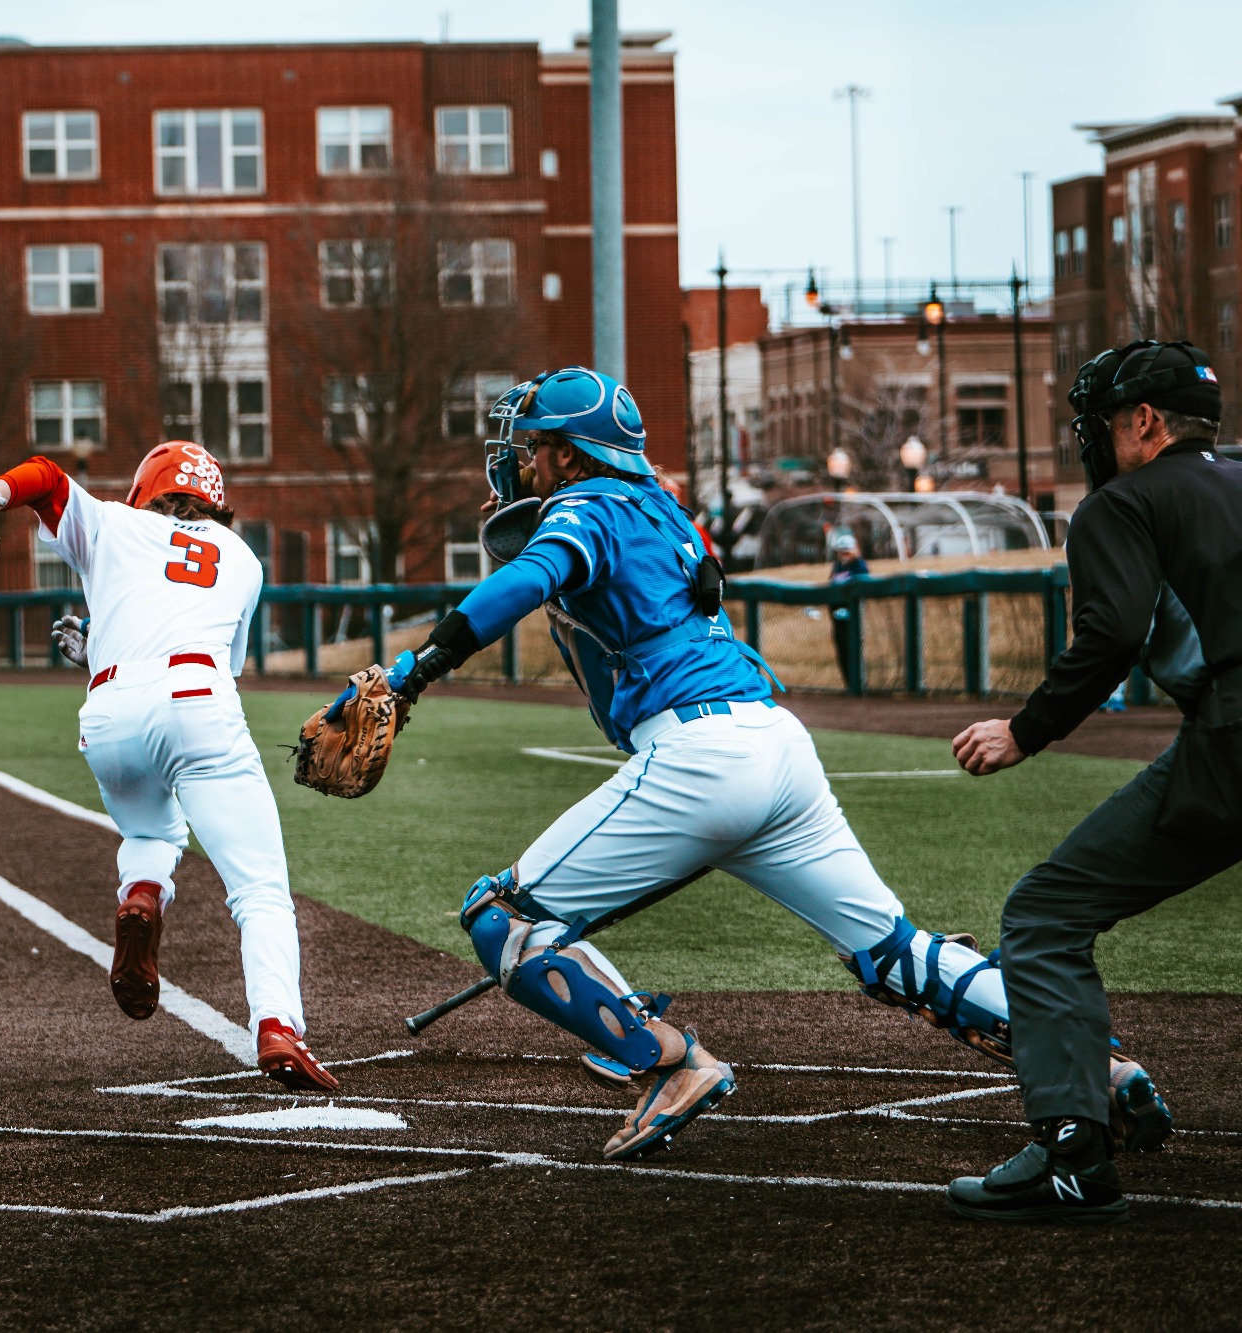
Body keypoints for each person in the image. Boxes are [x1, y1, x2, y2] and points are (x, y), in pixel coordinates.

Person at [371, 365, 1169, 1162]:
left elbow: (527, 578)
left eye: (537, 448)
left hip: (698, 755)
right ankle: (1095, 1063)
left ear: (573, 458)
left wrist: (415, 670)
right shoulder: (661, 507)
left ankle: (670, 1060)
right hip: (776, 745)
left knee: (501, 917)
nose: (523, 463)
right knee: (894, 951)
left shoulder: (587, 505)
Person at [947, 340, 1240, 1224]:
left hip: (1231, 743)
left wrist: (1024, 731)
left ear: (1143, 422)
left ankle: (1073, 1154)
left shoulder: (1124, 501)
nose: (1096, 441)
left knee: (1045, 914)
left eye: (1105, 423)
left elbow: (1109, 633)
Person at [0, 442, 339, 1092]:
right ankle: (277, 1025)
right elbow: (209, 652)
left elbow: (45, 478)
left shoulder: (112, 521)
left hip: (107, 707)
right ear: (216, 502)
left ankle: (143, 892)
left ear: (145, 489)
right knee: (259, 888)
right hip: (198, 697)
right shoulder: (242, 557)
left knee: (150, 834)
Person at [827, 531, 870, 690]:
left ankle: (859, 685)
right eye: (841, 551)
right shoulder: (837, 566)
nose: (844, 554)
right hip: (837, 616)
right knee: (841, 650)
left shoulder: (859, 565)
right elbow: (830, 585)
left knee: (853, 650)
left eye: (847, 551)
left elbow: (864, 586)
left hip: (853, 617)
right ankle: (849, 686)